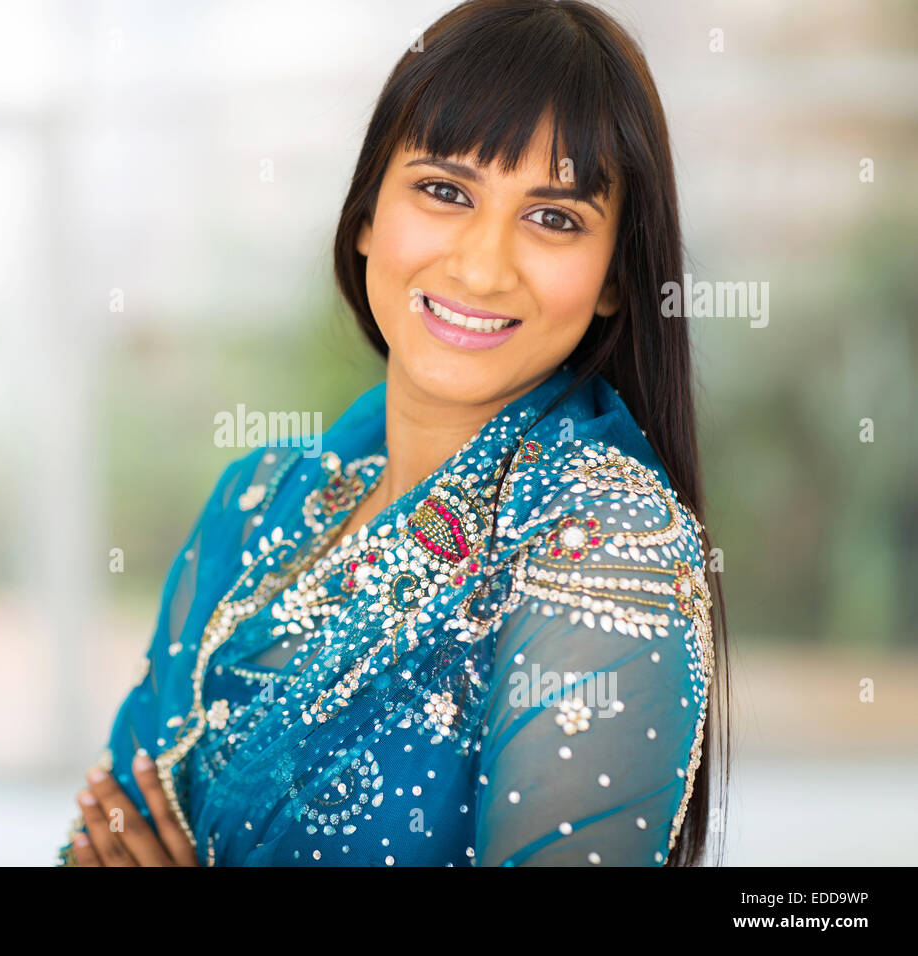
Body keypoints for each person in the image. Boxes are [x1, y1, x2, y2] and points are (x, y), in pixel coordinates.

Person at [58, 0, 729, 867]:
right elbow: (105, 833)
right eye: (445, 191)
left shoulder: (604, 546)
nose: (481, 267)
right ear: (368, 211)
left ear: (613, 279)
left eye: (554, 218)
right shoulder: (260, 503)